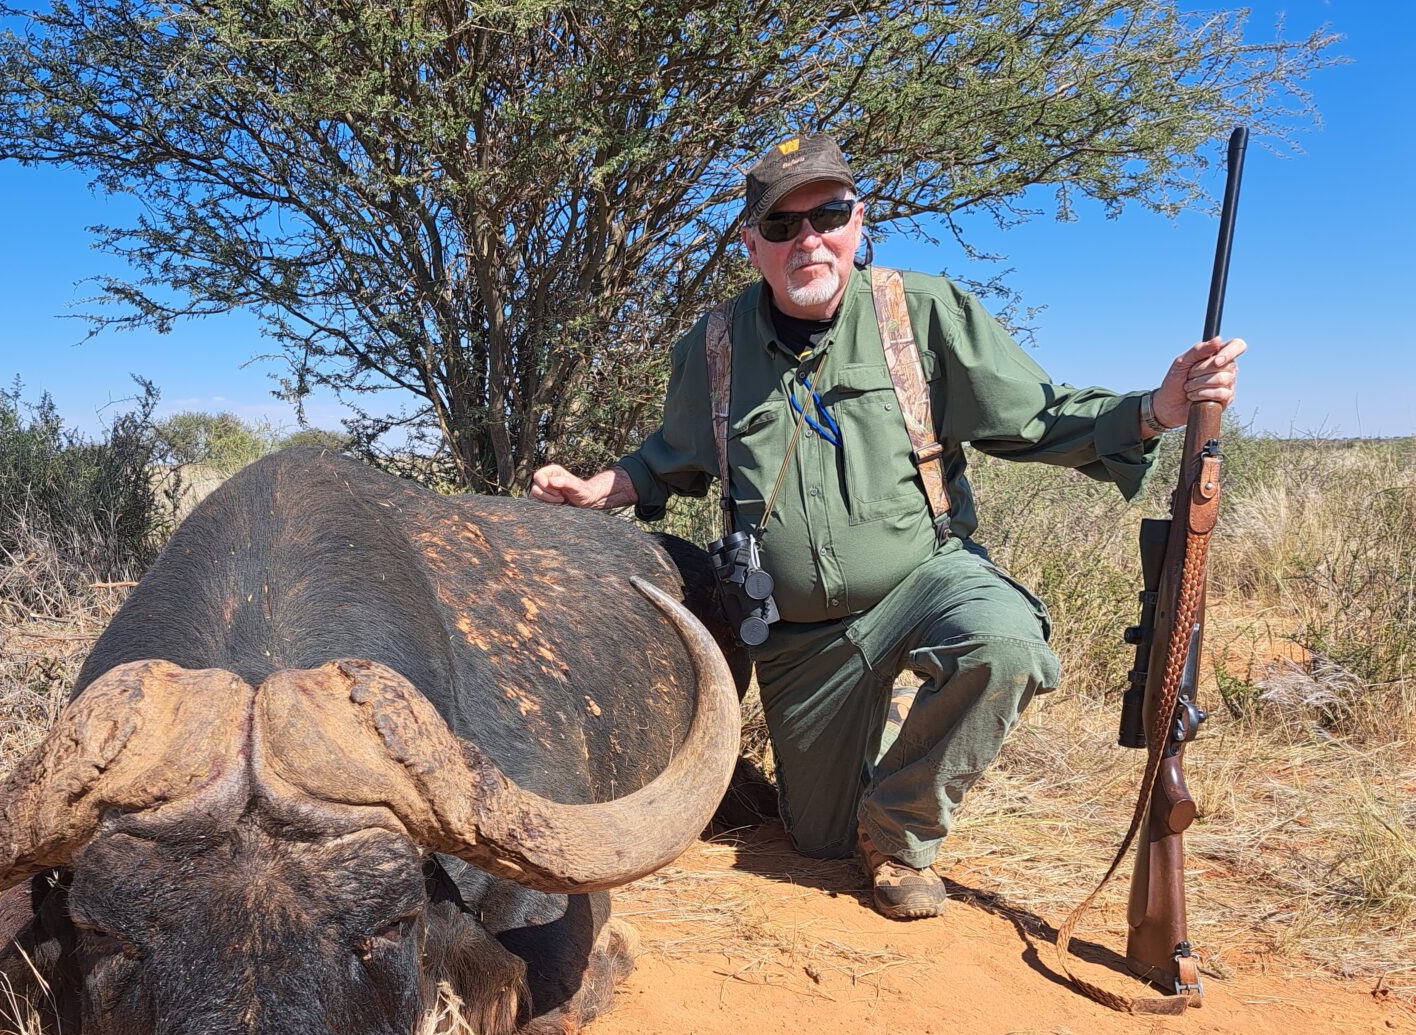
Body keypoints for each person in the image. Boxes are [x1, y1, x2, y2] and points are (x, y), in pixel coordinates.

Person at [532, 134, 1243, 920]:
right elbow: (670, 459)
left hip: (923, 580)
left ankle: (901, 831)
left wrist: (1157, 409)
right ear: (752, 243)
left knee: (1004, 645)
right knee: (820, 845)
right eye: (783, 226)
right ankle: (863, 791)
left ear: (858, 220)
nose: (809, 239)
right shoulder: (714, 345)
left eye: (828, 214)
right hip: (802, 638)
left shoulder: (921, 311)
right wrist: (603, 488)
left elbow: (1036, 417)